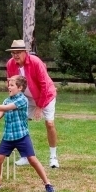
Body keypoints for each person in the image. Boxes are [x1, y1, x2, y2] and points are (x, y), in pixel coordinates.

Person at [0, 75, 55, 192]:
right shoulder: (6, 100)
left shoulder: (22, 100)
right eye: (9, 85)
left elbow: (7, 108)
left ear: (20, 88)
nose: (9, 87)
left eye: (12, 85)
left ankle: (47, 184)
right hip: (8, 137)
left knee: (32, 160)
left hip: (22, 136)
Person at [5, 40, 59, 168]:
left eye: (18, 53)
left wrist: (40, 106)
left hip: (46, 96)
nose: (15, 55)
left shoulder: (35, 62)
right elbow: (11, 84)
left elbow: (44, 85)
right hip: (26, 98)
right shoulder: (10, 64)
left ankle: (53, 158)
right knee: (20, 123)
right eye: (13, 53)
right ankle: (25, 156)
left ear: (25, 52)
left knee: (49, 123)